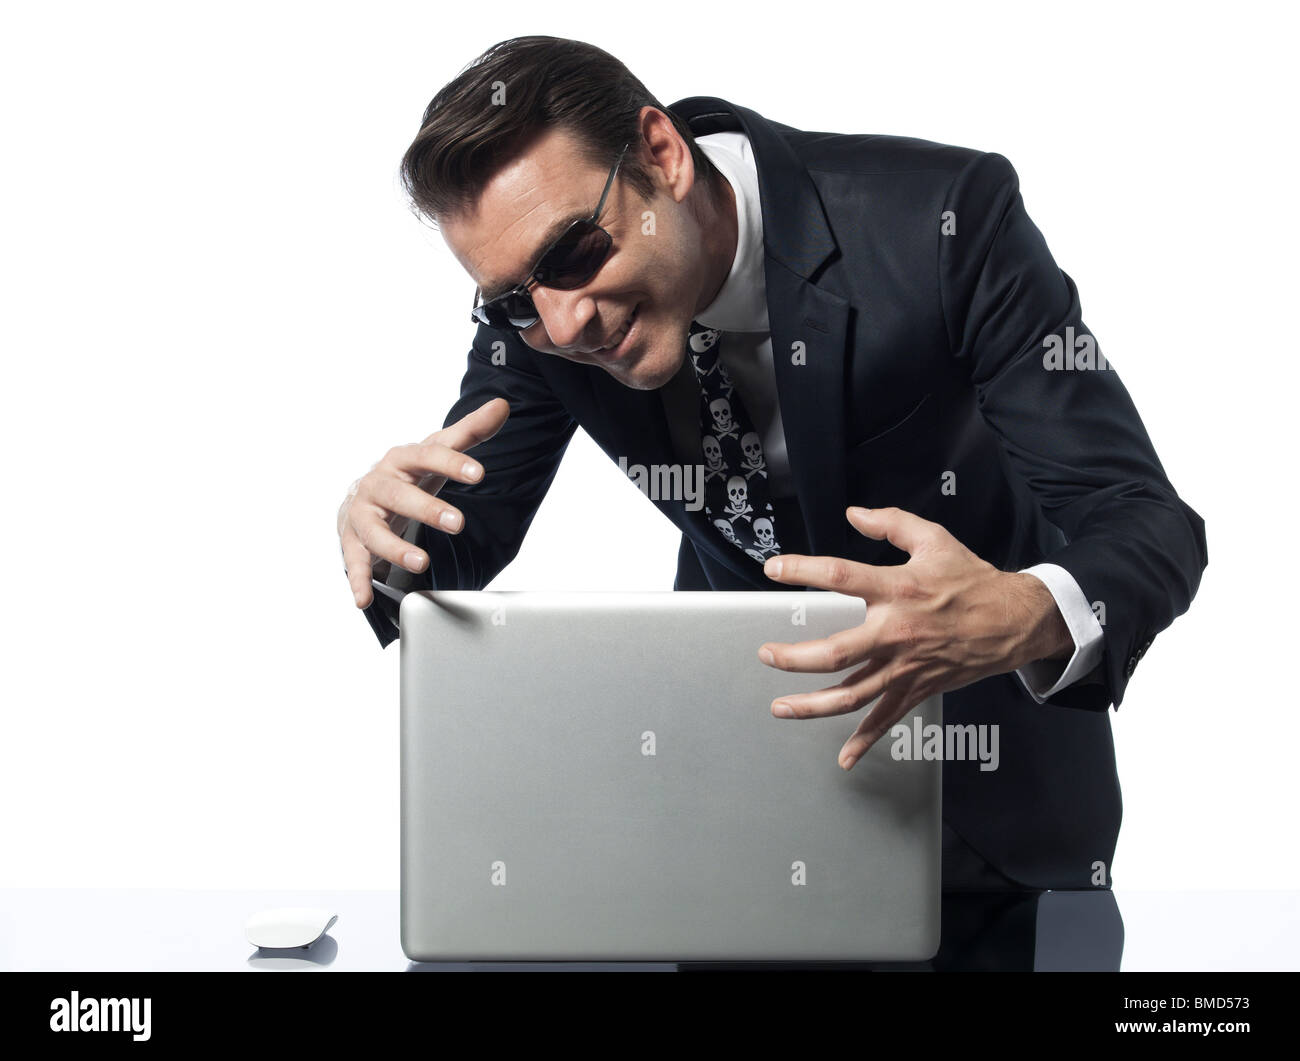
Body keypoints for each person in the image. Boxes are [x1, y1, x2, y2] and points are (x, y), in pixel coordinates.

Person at [336, 36, 1207, 891]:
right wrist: (385, 534)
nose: (565, 327)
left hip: (989, 819)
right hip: (732, 819)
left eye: (574, 253)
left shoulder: (944, 221)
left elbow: (1146, 522)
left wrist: (1020, 611)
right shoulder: (544, 324)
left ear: (663, 156)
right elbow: (453, 544)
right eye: (516, 301)